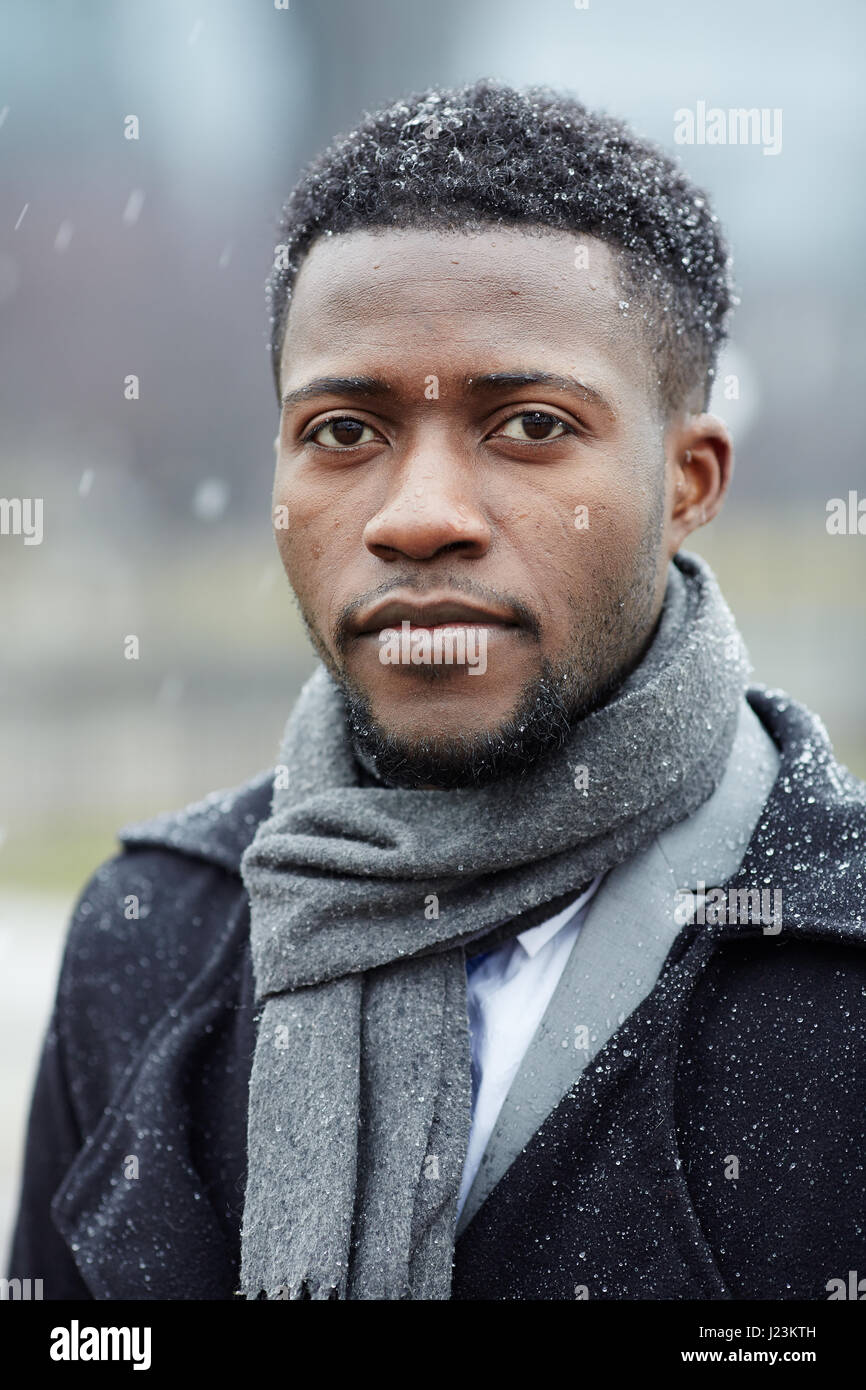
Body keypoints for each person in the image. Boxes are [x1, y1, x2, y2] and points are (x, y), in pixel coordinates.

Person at [8, 79, 866, 1302]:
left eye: (524, 423)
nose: (416, 519)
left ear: (689, 480)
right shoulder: (149, 943)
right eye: (344, 434)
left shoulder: (833, 960)